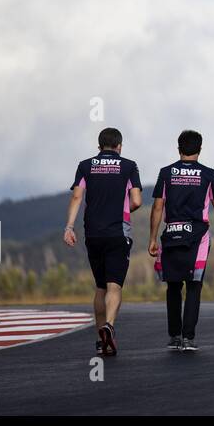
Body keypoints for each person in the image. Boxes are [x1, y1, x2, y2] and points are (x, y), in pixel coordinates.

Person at [63, 127, 142, 356]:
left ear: (99, 147)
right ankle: (109, 325)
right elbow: (136, 200)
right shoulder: (129, 166)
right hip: (118, 233)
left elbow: (77, 196)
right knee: (114, 286)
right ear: (119, 146)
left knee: (99, 286)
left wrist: (69, 227)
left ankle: (100, 338)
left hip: (93, 233)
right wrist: (124, 207)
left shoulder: (85, 165)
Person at [147, 130, 214, 352]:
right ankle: (188, 338)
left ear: (178, 148)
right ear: (200, 149)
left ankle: (174, 336)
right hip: (198, 236)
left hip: (171, 233)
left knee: (173, 285)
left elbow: (157, 206)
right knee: (194, 285)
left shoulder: (166, 173)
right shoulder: (208, 174)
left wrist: (153, 238)